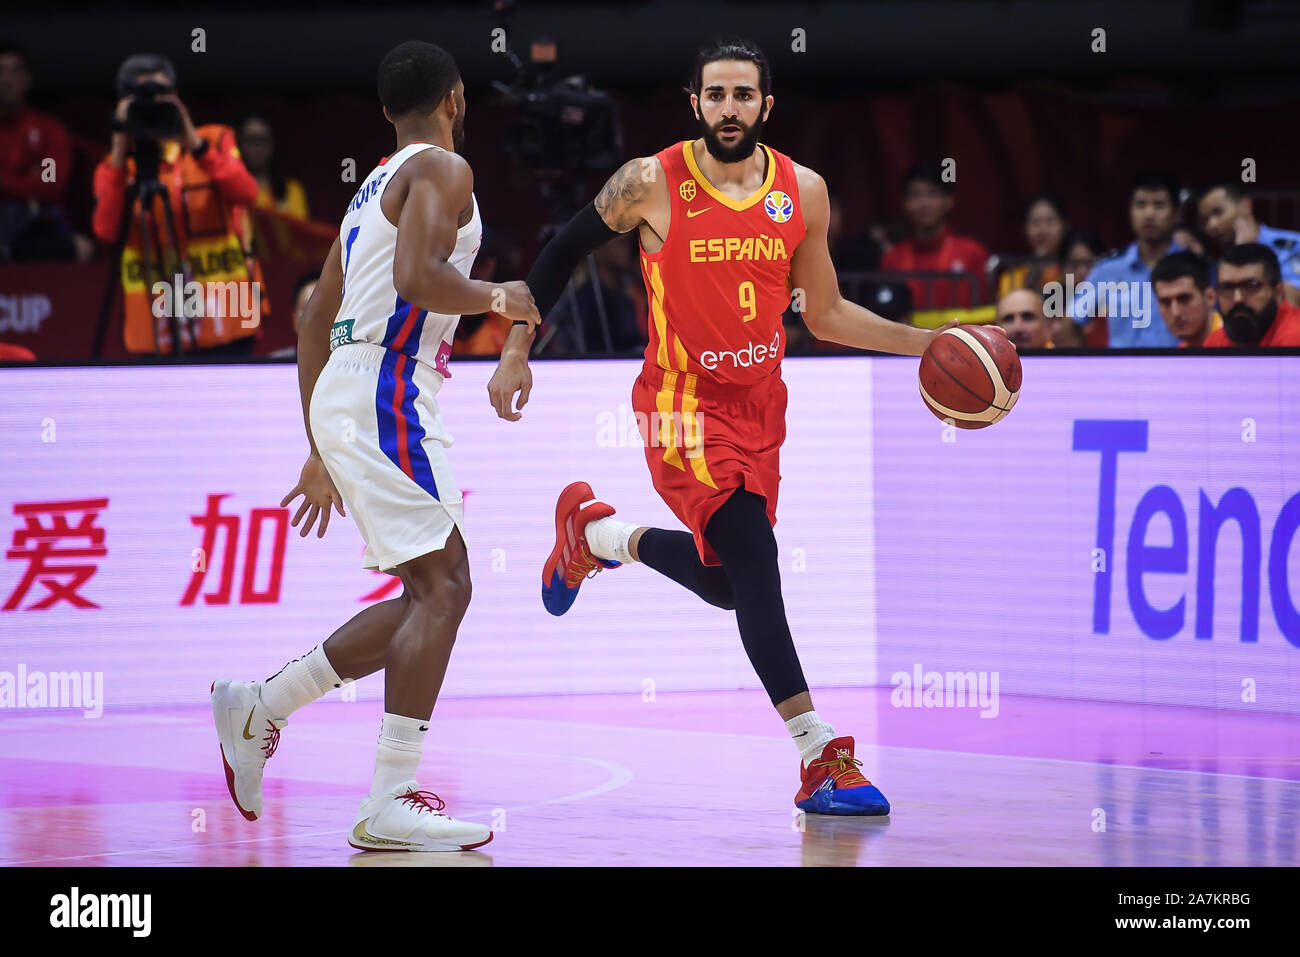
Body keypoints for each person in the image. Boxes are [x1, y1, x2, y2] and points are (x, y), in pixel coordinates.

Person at [491, 38, 1009, 817]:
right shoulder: (648, 183)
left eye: (743, 95)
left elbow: (826, 313)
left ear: (766, 105)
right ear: (693, 102)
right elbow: (560, 250)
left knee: (733, 585)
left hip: (761, 405)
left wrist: (930, 343)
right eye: (715, 94)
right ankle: (818, 754)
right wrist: (516, 347)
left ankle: (597, 538)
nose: (728, 108)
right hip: (679, 404)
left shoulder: (805, 190)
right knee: (755, 556)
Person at [210, 41, 539, 853]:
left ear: (387, 112)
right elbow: (422, 278)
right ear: (456, 98)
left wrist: (322, 440)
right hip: (386, 387)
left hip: (362, 390)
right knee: (446, 584)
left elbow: (313, 318)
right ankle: (387, 796)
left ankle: (265, 702)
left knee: (435, 587)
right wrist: (504, 294)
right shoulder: (443, 171)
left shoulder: (368, 191)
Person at [92, 53, 265, 357]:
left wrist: (193, 142)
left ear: (176, 97)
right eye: (140, 97)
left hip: (225, 317)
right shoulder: (116, 169)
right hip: (156, 325)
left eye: (161, 94)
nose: (152, 103)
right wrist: (120, 145)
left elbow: (247, 193)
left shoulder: (215, 139)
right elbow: (106, 231)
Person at [0, 41, 79, 261]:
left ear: (27, 80)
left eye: (15, 71)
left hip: (34, 224)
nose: (7, 80)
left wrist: (3, 180)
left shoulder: (48, 131)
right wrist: (26, 178)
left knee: (67, 246)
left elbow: (50, 184)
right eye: (1, 71)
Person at [879, 162, 988, 312]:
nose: (924, 203)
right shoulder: (893, 258)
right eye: (915, 195)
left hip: (959, 335)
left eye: (932, 193)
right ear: (905, 203)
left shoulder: (972, 252)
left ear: (948, 201)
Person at [1197, 180, 1300, 302]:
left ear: (1245, 204)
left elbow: (1293, 300)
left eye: (1218, 212)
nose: (1212, 225)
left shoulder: (1292, 246)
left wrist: (1246, 255)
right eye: (1205, 220)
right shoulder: (1214, 263)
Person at [1204, 243, 1300, 347]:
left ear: (1278, 292)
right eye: (1227, 288)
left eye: (1251, 286)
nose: (1237, 298)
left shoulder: (1294, 339)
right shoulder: (1216, 342)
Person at [239, 115, 310, 219]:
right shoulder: (231, 192)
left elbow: (300, 232)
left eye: (263, 139)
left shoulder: (291, 190)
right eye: (251, 140)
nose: (258, 146)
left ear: (272, 144)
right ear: (239, 144)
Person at [996, 192, 1065, 300]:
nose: (1043, 230)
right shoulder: (1011, 278)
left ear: (1065, 225)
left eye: (1050, 221)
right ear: (1024, 228)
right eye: (1035, 222)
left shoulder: (1075, 271)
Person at [1151, 251, 1219, 348]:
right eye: (1166, 302)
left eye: (1184, 299)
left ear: (1210, 298)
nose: (1176, 313)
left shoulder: (1238, 346)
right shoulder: (1179, 353)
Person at [267, 270, 319, 359]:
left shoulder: (346, 365)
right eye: (306, 309)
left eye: (321, 309)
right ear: (295, 319)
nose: (314, 318)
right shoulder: (273, 365)